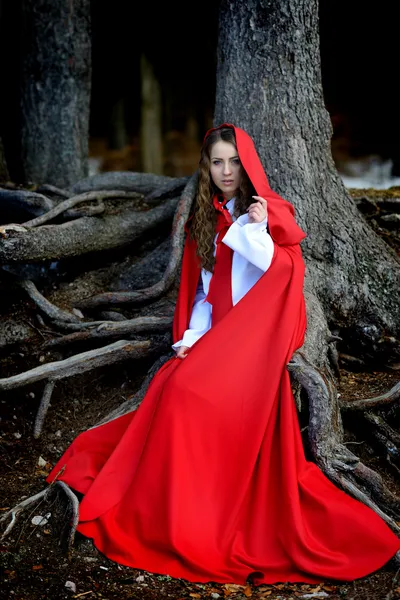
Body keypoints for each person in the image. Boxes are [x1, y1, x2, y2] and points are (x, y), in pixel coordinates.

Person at [47, 123, 400, 586]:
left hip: (253, 344)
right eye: (217, 162)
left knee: (189, 395)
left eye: (234, 161)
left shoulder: (268, 213)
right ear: (206, 168)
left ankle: (201, 517)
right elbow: (204, 293)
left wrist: (254, 227)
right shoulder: (207, 219)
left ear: (248, 165)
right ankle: (172, 510)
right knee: (172, 387)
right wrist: (194, 336)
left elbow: (282, 271)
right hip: (217, 337)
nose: (226, 170)